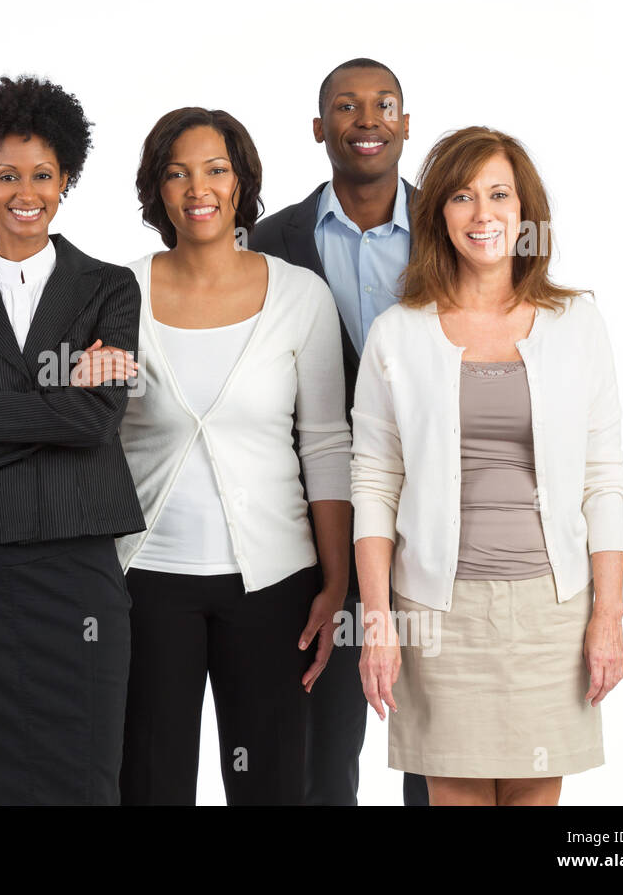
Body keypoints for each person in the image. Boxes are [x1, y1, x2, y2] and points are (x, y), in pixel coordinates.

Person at [351, 126, 623, 806]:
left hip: (552, 611)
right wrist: (379, 621)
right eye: (462, 197)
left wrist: (608, 616)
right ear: (438, 215)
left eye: (499, 194)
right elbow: (374, 482)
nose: (483, 214)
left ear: (525, 210)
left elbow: (604, 479)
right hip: (438, 614)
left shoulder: (577, 324)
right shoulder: (398, 333)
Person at [0, 75, 145, 804]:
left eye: (42, 174)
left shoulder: (110, 288)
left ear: (65, 178)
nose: (25, 191)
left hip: (79, 568)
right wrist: (51, 404)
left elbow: (94, 421)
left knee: (86, 776)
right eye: (7, 175)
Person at [109, 108, 352, 805]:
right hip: (144, 584)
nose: (198, 188)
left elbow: (327, 446)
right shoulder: (117, 292)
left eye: (215, 169)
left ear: (242, 182)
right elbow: (89, 433)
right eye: (177, 173)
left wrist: (334, 586)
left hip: (274, 586)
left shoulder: (300, 296)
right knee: (150, 783)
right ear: (156, 190)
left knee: (272, 784)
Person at [249, 57, 429, 805]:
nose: (367, 119)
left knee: (443, 738)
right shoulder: (267, 241)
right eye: (347, 107)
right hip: (313, 522)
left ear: (406, 125)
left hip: (430, 518)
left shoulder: (454, 231)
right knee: (321, 748)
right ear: (320, 128)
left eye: (383, 104)